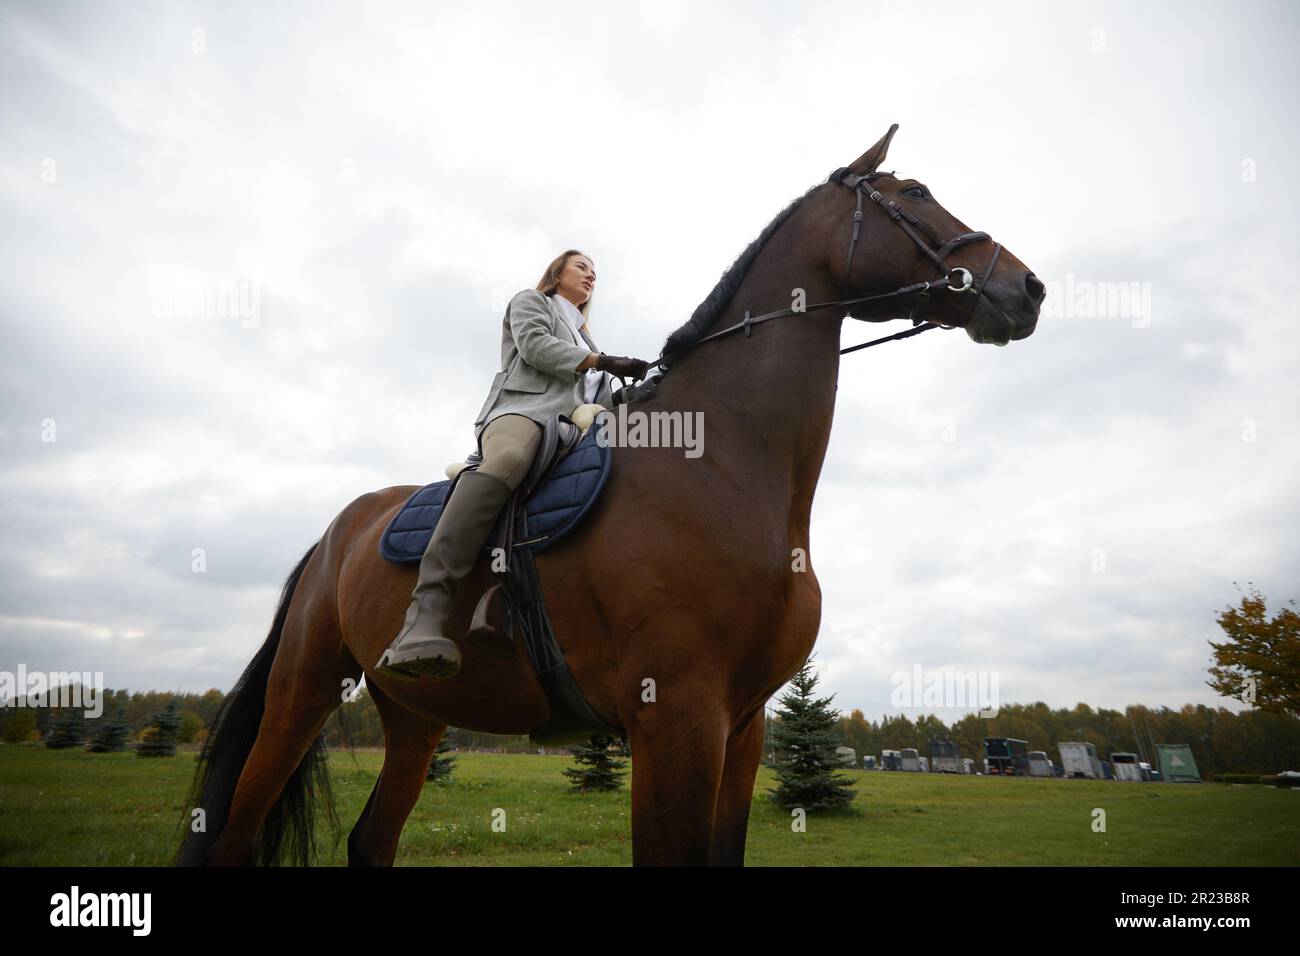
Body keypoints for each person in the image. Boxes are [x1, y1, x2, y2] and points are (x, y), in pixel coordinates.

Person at [375, 250, 652, 680]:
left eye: (595, 272)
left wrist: (646, 389)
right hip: (525, 412)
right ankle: (425, 612)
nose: (591, 274)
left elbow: (596, 402)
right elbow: (537, 348)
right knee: (507, 460)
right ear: (556, 274)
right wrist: (602, 362)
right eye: (581, 266)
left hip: (575, 429)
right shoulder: (531, 302)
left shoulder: (588, 338)